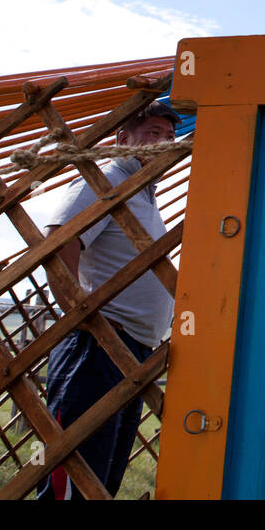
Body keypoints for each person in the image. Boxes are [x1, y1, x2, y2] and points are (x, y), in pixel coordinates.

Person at [35, 100, 181, 500]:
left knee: (101, 479)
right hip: (96, 347)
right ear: (122, 138)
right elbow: (59, 242)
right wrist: (82, 318)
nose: (163, 144)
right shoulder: (106, 180)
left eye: (169, 137)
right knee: (75, 478)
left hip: (129, 352)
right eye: (152, 134)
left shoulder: (143, 195)